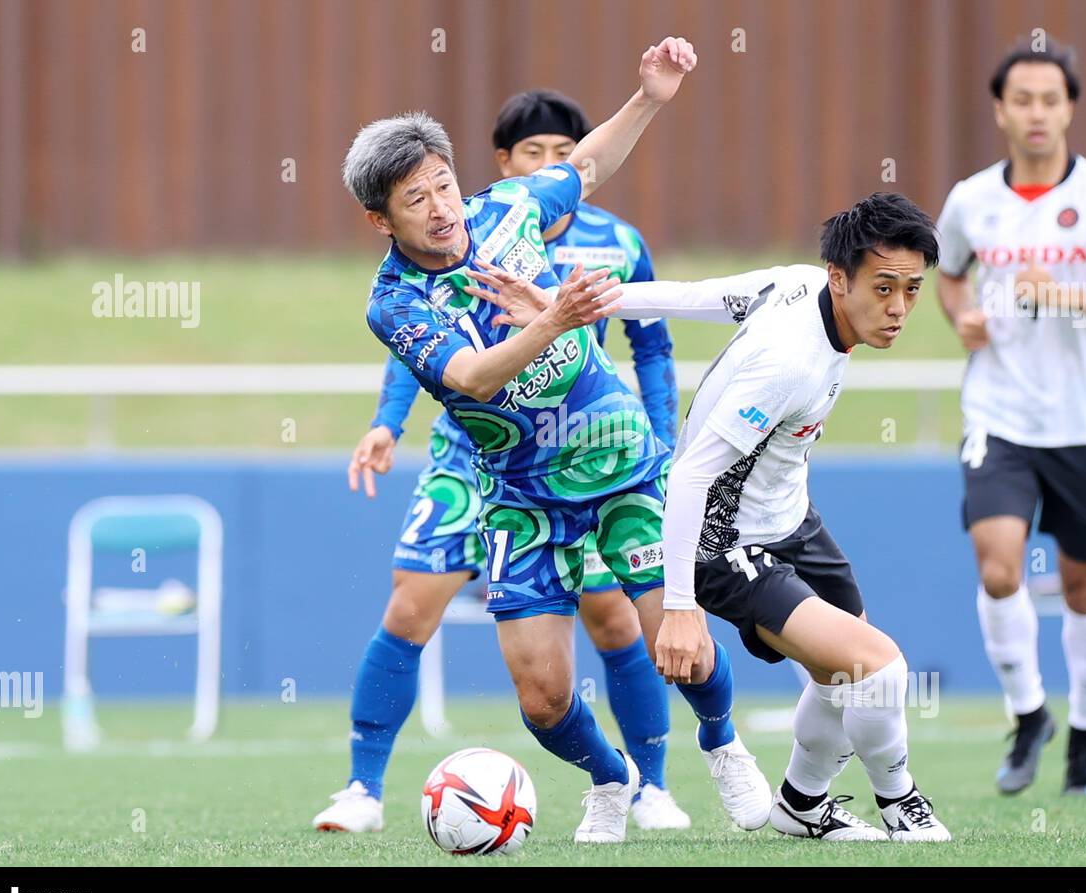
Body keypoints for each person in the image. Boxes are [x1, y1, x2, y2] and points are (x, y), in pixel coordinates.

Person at [331, 37, 772, 846]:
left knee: (674, 636)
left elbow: (590, 165)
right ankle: (609, 779)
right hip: (521, 493)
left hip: (616, 460)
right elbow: (472, 379)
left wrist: (650, 98)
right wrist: (554, 319)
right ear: (379, 218)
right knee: (539, 698)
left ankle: (722, 741)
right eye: (414, 199)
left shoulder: (508, 207)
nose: (441, 207)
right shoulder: (393, 301)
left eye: (443, 185)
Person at [472, 193, 953, 842]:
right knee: (882, 669)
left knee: (848, 676)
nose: (898, 308)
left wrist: (575, 306)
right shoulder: (787, 363)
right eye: (884, 287)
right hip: (723, 542)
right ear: (841, 278)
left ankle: (802, 805)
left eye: (912, 290)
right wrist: (679, 603)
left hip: (790, 518)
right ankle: (902, 805)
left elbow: (693, 297)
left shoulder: (798, 283)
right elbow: (693, 473)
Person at [935, 40, 1086, 797]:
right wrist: (961, 315)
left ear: (1069, 107)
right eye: (1023, 99)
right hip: (997, 414)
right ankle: (1029, 711)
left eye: (1051, 99)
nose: (1037, 112)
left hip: (1084, 421)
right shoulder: (971, 198)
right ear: (1000, 110)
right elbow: (945, 274)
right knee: (999, 566)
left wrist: (1067, 294)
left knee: (1081, 585)